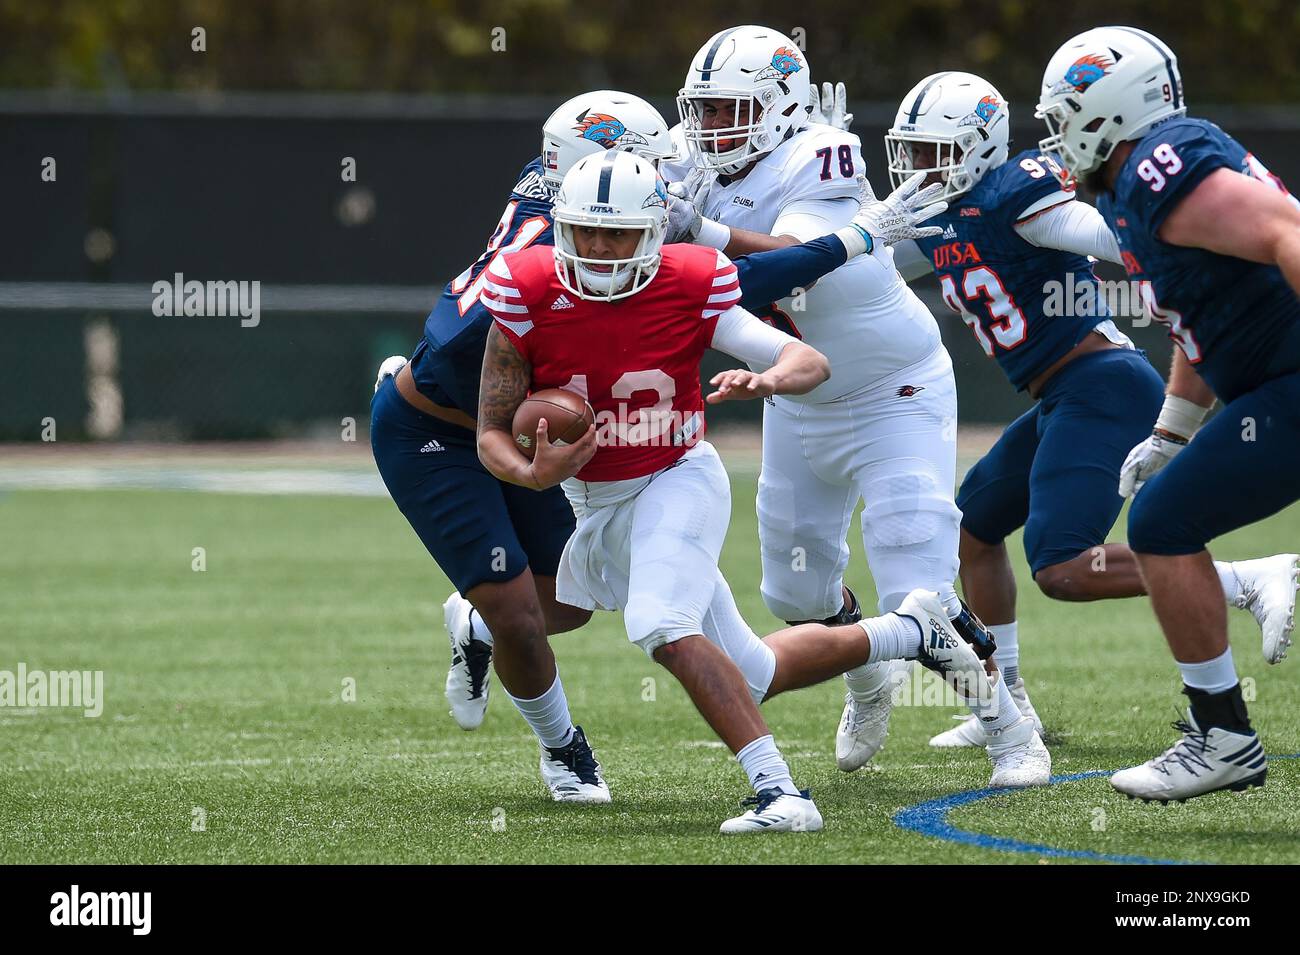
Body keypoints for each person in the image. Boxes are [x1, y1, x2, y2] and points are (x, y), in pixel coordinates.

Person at [372, 88, 947, 803]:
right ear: (578, 202)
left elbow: (710, 270)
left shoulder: (578, 197)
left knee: (589, 614)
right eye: (651, 172)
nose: (666, 186)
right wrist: (858, 237)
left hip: (592, 450)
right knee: (524, 614)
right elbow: (750, 276)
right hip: (443, 428)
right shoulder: (548, 271)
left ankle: (907, 632)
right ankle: (569, 754)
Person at [476, 148, 997, 832]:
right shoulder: (524, 285)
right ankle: (911, 629)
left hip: (677, 476)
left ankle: (781, 795)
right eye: (587, 232)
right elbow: (490, 429)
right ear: (562, 228)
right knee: (747, 672)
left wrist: (769, 377)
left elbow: (804, 356)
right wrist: (529, 474)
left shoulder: (690, 280)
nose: (600, 250)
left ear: (655, 233)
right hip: (597, 503)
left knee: (663, 624)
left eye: (619, 234)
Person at [669, 25, 1049, 785]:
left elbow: (786, 264)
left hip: (891, 388)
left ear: (780, 105)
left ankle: (1013, 731)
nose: (711, 127)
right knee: (793, 592)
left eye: (729, 109)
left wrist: (697, 228)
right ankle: (868, 671)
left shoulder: (818, 152)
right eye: (704, 109)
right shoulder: (690, 163)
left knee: (922, 589)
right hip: (800, 396)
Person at [882, 70, 1297, 750]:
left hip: (1104, 384)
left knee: (1063, 567)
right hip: (1061, 397)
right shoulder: (936, 216)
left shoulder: (1015, 197)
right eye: (913, 151)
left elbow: (1106, 234)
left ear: (979, 148)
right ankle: (1006, 702)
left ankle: (1245, 579)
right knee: (975, 528)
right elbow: (862, 270)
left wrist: (1161, 242)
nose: (920, 168)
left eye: (935, 151)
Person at [1036, 25, 1300, 800]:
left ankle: (1223, 738)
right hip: (1265, 387)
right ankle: (1222, 733)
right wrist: (1172, 429)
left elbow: (1289, 232)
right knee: (1162, 517)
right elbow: (1196, 318)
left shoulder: (1162, 169)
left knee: (1160, 525)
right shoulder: (1125, 187)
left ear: (1112, 108)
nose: (1057, 134)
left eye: (1066, 114)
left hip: (1289, 379)